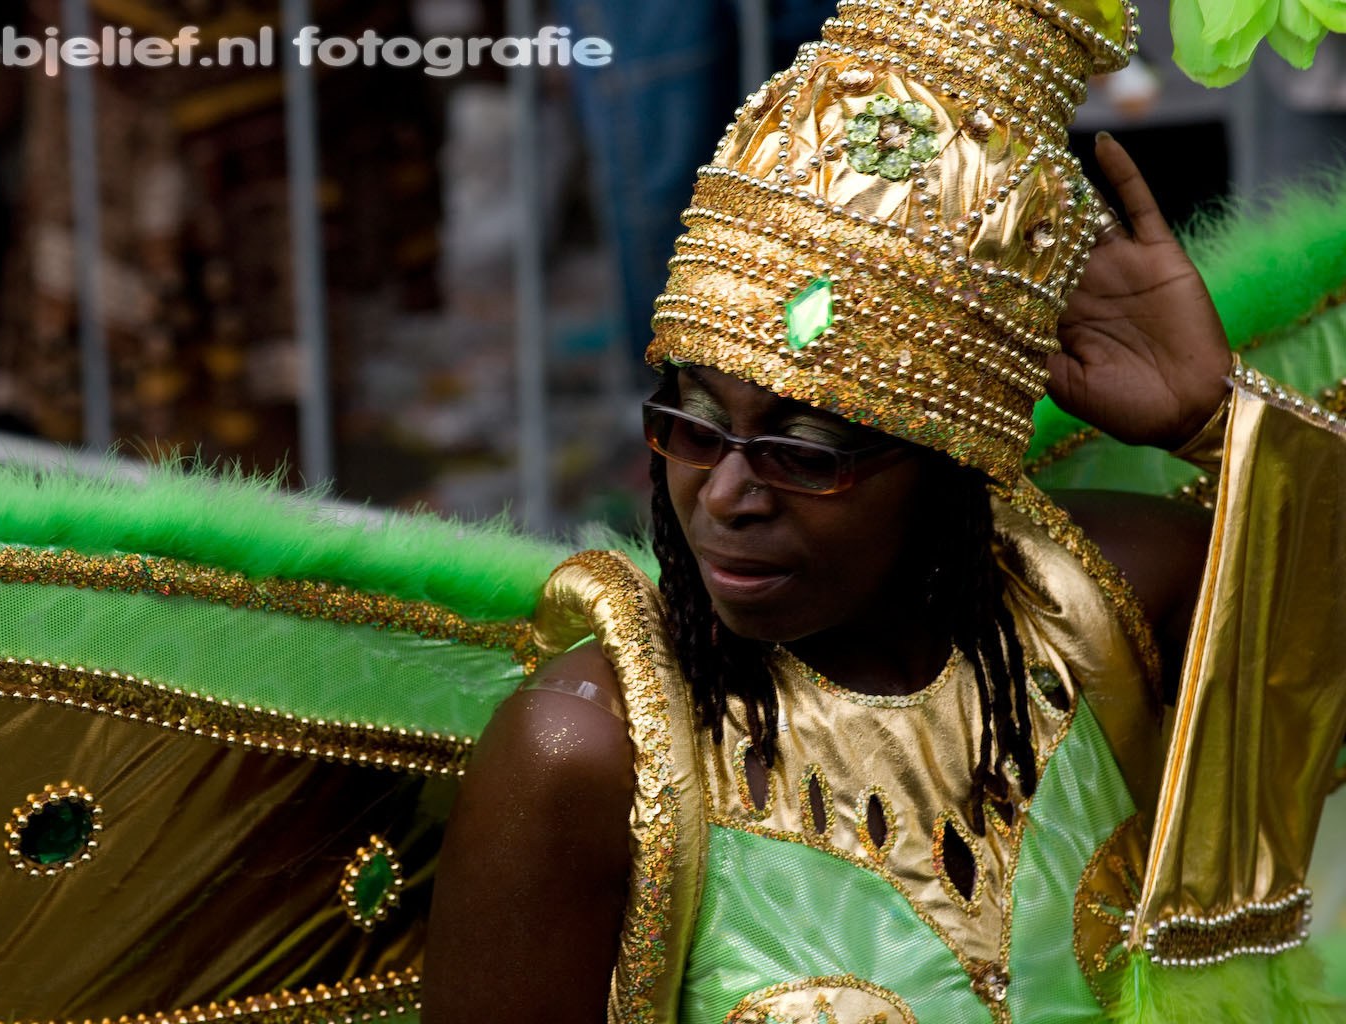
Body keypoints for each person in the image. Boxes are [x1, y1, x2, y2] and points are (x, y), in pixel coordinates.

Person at [423, 2, 1346, 1022]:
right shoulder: (593, 753)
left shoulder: (1098, 615)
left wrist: (1216, 420)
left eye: (804, 450)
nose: (727, 494)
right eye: (691, 425)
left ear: (952, 461)